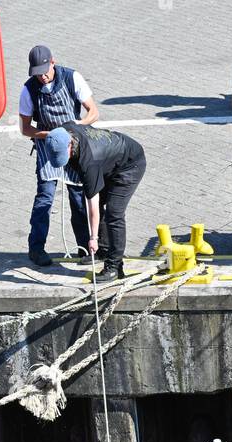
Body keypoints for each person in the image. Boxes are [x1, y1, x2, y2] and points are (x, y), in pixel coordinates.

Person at [19, 44, 99, 268]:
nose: (42, 78)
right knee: (44, 198)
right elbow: (25, 128)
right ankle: (36, 249)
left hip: (73, 146)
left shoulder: (72, 78)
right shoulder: (28, 90)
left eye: (45, 71)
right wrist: (47, 134)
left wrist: (78, 126)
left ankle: (84, 248)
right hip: (46, 147)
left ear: (52, 62)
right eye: (37, 74)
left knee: (78, 197)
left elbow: (93, 112)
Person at [43, 124, 146, 284]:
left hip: (130, 164)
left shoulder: (88, 162)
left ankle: (114, 267)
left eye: (64, 155)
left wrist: (93, 238)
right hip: (108, 163)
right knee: (98, 206)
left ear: (70, 143)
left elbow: (92, 203)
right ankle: (104, 251)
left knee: (114, 213)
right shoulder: (64, 130)